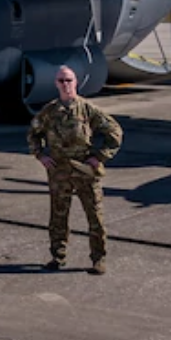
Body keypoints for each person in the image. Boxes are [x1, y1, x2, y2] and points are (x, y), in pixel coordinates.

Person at [28, 66, 123, 275]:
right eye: (61, 81)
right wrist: (40, 155)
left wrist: (99, 157)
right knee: (58, 216)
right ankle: (57, 256)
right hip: (59, 172)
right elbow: (33, 133)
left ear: (76, 82)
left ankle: (99, 259)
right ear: (56, 84)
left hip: (85, 172)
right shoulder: (49, 112)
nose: (65, 84)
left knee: (95, 217)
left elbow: (115, 132)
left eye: (69, 80)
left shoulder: (87, 109)